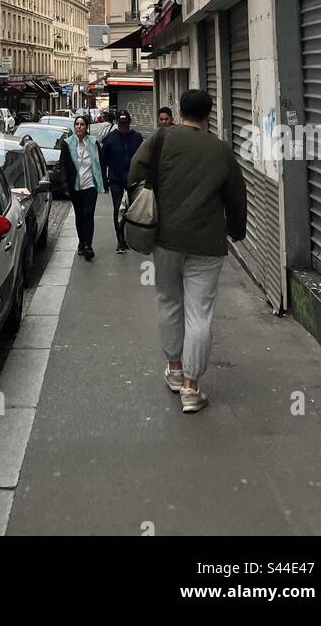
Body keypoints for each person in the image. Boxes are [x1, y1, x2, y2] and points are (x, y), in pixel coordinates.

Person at [127, 88, 247, 414]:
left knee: (168, 301)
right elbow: (236, 196)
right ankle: (192, 389)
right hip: (207, 244)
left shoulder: (161, 139)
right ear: (208, 115)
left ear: (179, 111)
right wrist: (236, 230)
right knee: (200, 313)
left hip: (165, 239)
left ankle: (175, 370)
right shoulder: (221, 151)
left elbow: (133, 173)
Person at [59, 114, 105, 261]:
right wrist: (65, 185)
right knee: (79, 216)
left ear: (86, 127)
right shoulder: (67, 143)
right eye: (77, 124)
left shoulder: (93, 143)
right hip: (75, 186)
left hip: (90, 184)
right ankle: (81, 242)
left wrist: (104, 180)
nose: (79, 127)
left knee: (88, 214)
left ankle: (88, 245)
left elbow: (101, 163)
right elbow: (64, 166)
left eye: (82, 124)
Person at [100, 110, 144, 253]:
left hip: (134, 180)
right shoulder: (110, 138)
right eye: (121, 123)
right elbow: (103, 161)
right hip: (115, 179)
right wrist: (104, 182)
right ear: (117, 123)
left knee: (135, 210)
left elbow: (143, 159)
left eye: (125, 123)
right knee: (118, 209)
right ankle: (120, 241)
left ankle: (133, 238)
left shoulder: (137, 138)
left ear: (129, 123)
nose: (123, 126)